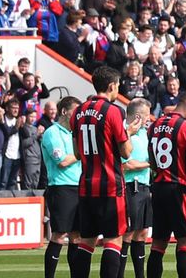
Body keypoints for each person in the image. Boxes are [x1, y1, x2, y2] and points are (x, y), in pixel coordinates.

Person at [73, 67, 134, 278]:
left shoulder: (78, 111)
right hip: (110, 185)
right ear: (111, 86)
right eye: (117, 86)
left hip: (86, 185)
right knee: (113, 240)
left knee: (86, 241)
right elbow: (126, 152)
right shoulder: (114, 111)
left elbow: (77, 153)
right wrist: (129, 134)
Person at [148, 93, 186, 278]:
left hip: (158, 186)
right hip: (180, 188)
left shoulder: (155, 125)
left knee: (158, 244)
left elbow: (152, 161)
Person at [44, 95, 83, 278]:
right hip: (61, 188)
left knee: (77, 236)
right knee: (59, 234)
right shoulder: (53, 132)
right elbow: (62, 161)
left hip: (79, 187)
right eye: (76, 111)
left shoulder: (75, 133)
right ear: (64, 112)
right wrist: (82, 153)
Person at [124, 100, 156, 278]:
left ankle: (139, 275)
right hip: (130, 187)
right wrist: (151, 164)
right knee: (128, 233)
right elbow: (126, 165)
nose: (148, 119)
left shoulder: (144, 133)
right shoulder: (124, 131)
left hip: (144, 186)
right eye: (146, 115)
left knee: (142, 232)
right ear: (137, 116)